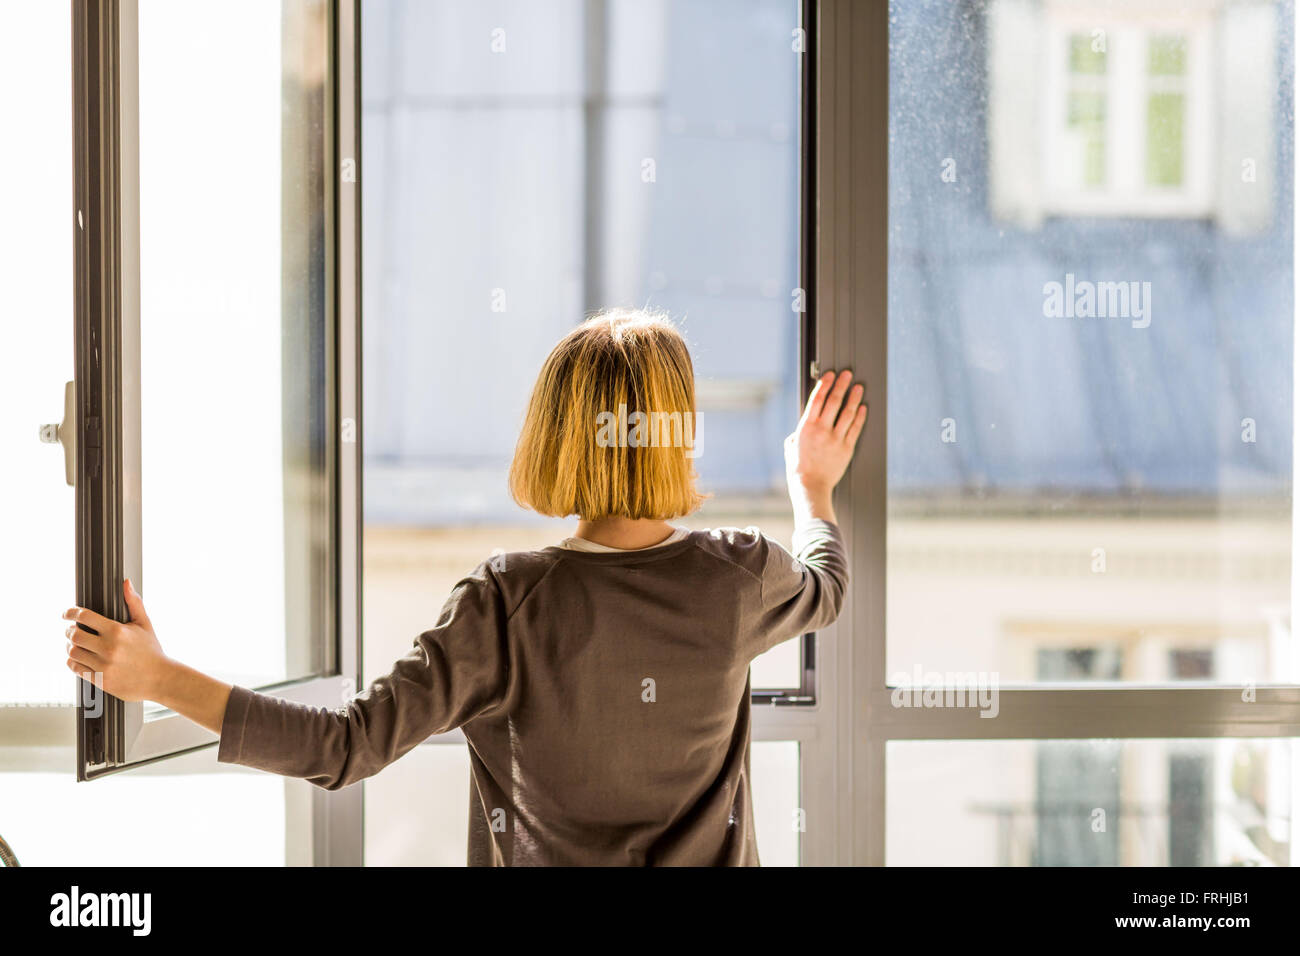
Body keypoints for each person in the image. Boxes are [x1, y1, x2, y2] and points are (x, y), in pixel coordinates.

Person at [62, 308, 866, 865]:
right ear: (679, 438)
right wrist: (812, 487)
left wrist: (158, 676)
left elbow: (346, 747)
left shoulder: (506, 603)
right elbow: (828, 587)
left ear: (550, 437)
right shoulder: (736, 577)